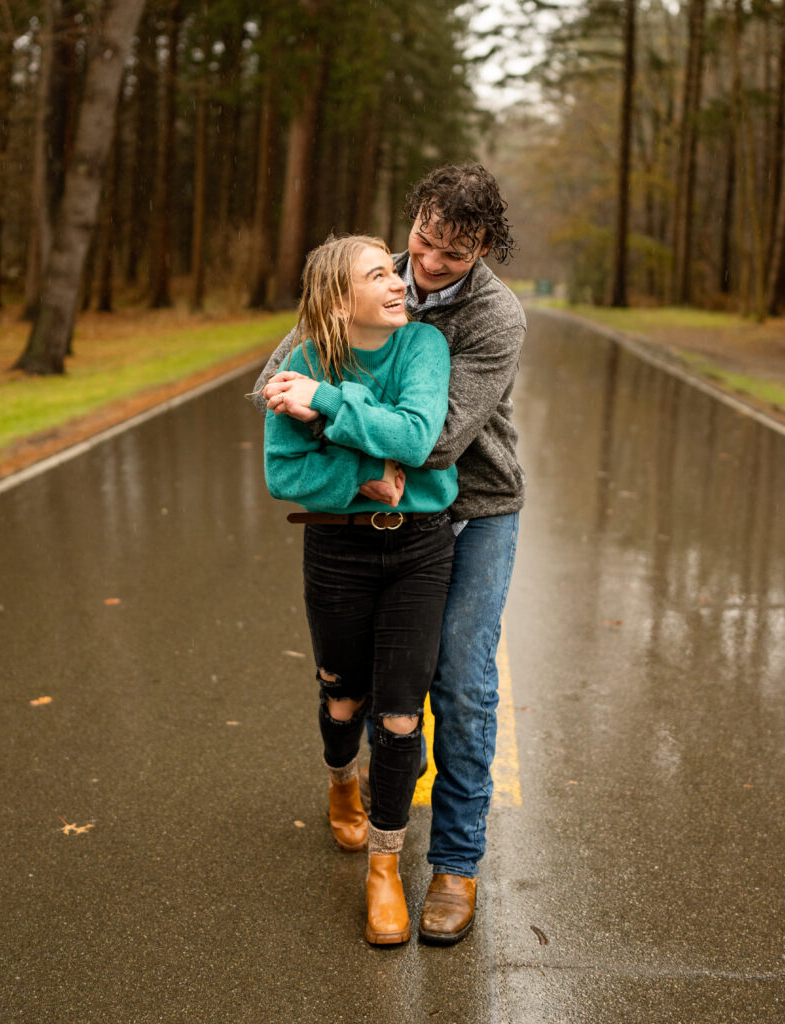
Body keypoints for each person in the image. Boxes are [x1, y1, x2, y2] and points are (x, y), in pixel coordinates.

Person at [254, 163, 526, 945]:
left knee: (462, 685)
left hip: (474, 507)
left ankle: (454, 866)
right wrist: (353, 447)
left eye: (453, 254)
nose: (428, 265)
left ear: (482, 250)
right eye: (422, 242)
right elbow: (275, 383)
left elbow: (432, 442)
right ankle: (374, 789)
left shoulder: (494, 317)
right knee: (372, 684)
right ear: (413, 222)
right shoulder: (364, 279)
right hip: (385, 512)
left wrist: (327, 408)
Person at [261, 234, 458, 946]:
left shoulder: (423, 347)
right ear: (340, 302)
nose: (400, 281)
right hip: (338, 550)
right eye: (379, 275)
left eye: (392, 271)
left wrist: (325, 406)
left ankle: (385, 866)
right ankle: (341, 777)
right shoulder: (303, 359)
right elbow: (284, 474)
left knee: (401, 717)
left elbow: (416, 436)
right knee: (343, 695)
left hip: (419, 547)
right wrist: (362, 477)